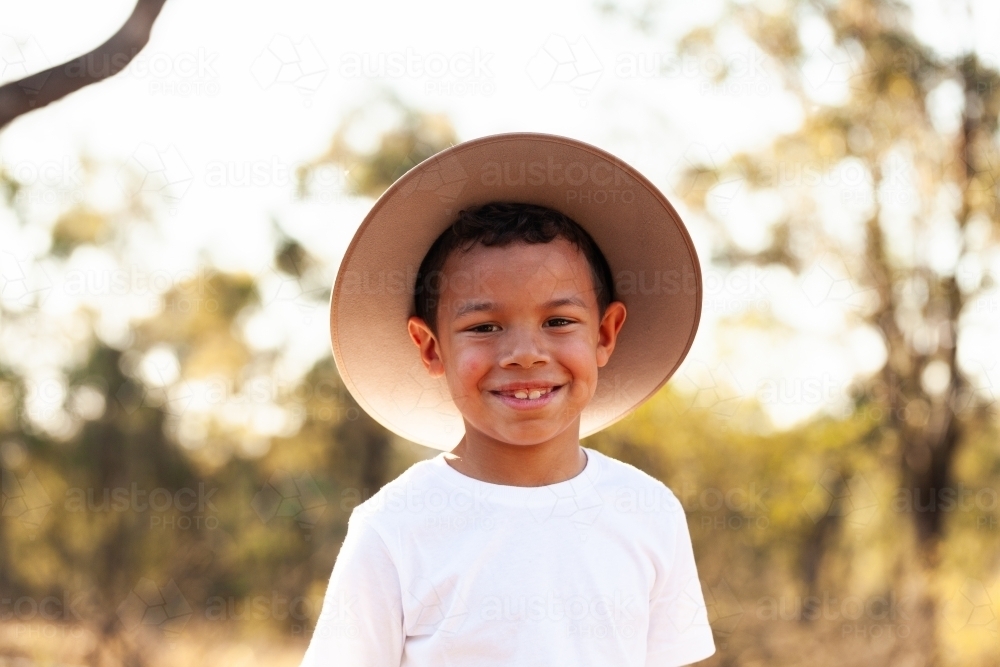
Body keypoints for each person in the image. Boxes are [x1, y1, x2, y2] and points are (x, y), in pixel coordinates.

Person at [300, 133, 716, 666]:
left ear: (606, 335)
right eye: (485, 325)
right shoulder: (393, 527)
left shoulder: (648, 511)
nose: (524, 353)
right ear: (431, 348)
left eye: (559, 321)